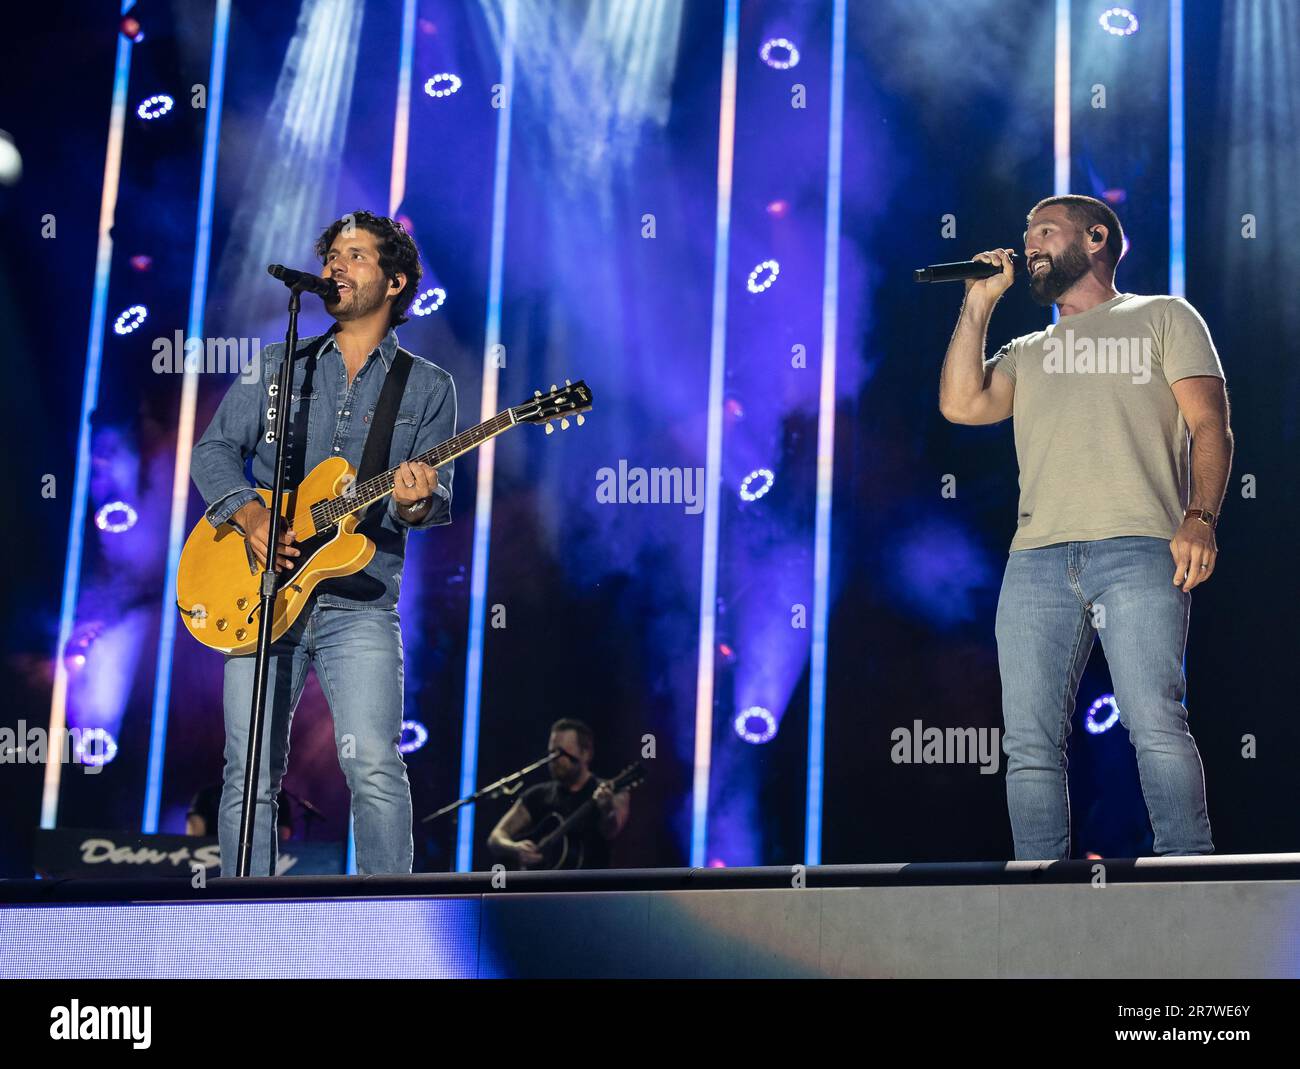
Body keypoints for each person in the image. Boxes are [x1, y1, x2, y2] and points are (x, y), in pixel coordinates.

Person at [938, 194, 1232, 860]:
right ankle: (1043, 892)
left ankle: (1193, 878)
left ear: (1095, 237)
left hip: (1138, 549)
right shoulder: (1028, 348)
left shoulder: (1161, 315)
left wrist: (1201, 516)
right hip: (1037, 558)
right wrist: (980, 302)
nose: (1030, 242)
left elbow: (1210, 424)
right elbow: (961, 403)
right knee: (1030, 741)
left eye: (1045, 231)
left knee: (1155, 720)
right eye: (1027, 233)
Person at [191, 210, 457, 876]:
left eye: (356, 255)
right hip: (262, 592)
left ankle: (383, 921)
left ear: (395, 281)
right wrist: (252, 515)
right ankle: (242, 924)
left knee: (372, 759)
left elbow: (430, 502)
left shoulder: (427, 386)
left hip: (359, 603)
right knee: (247, 768)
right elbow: (215, 450)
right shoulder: (281, 364)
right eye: (332, 255)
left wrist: (415, 496)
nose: (336, 265)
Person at [487, 719, 631, 869]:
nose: (553, 759)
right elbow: (496, 837)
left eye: (560, 753)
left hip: (591, 888)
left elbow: (611, 831)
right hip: (541, 890)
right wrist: (515, 849)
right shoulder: (538, 795)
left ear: (586, 753)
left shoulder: (612, 792)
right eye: (551, 753)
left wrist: (607, 809)